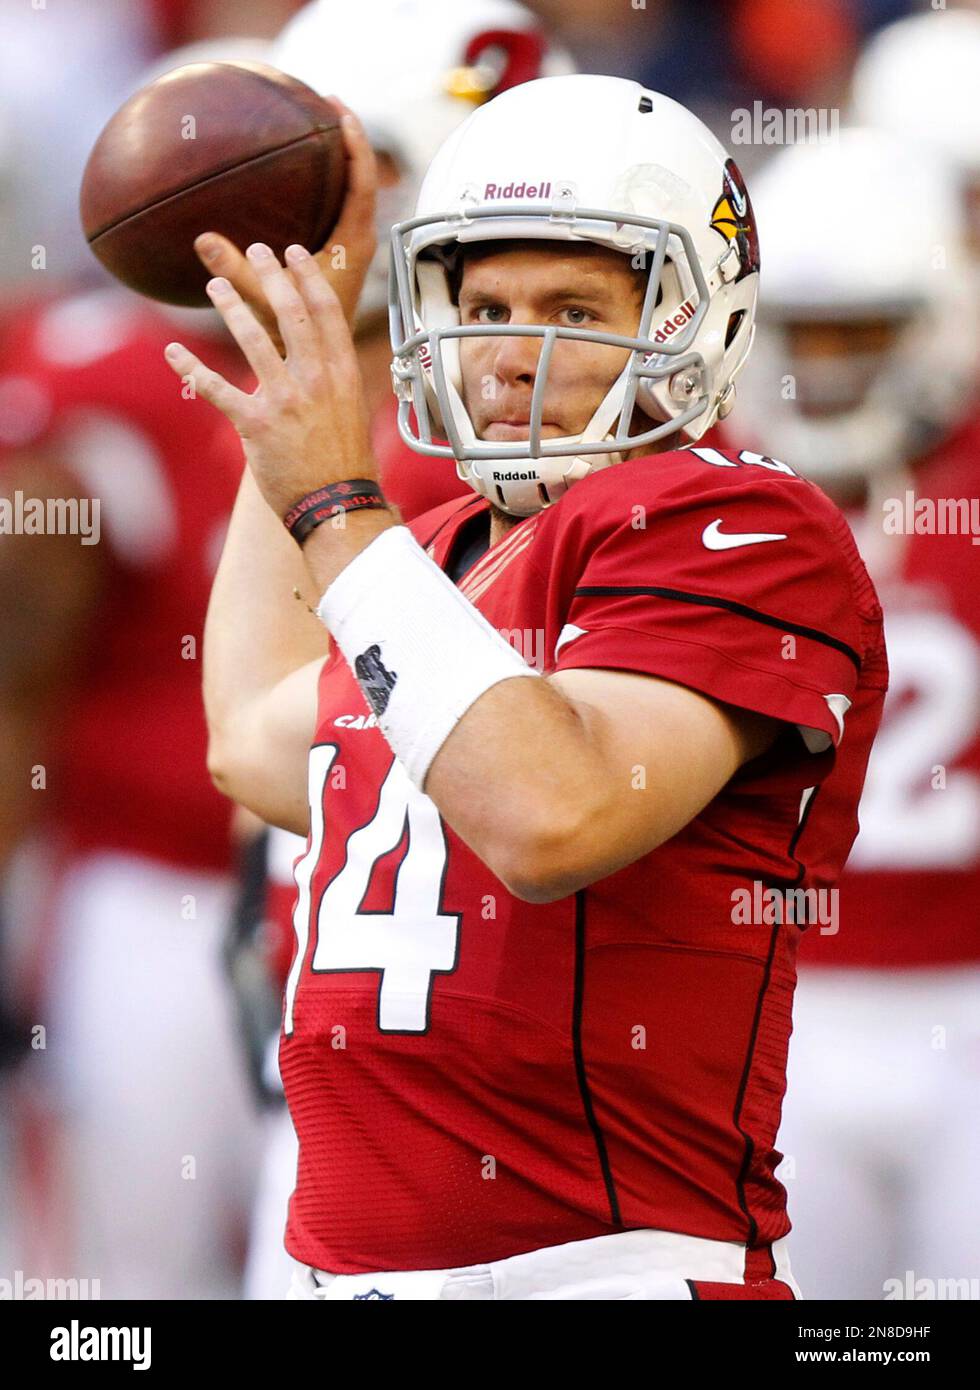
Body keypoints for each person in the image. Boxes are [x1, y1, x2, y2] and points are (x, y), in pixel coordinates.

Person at [166, 73, 888, 1300]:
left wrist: (339, 509)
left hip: (601, 1271)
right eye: (485, 300)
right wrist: (292, 429)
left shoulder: (737, 519)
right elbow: (252, 737)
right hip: (348, 1273)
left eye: (572, 302)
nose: (510, 348)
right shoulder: (435, 548)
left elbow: (556, 814)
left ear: (687, 317)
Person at [735, 129, 980, 1301]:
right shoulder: (708, 490)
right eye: (805, 338)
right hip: (771, 1001)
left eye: (860, 336)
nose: (826, 371)